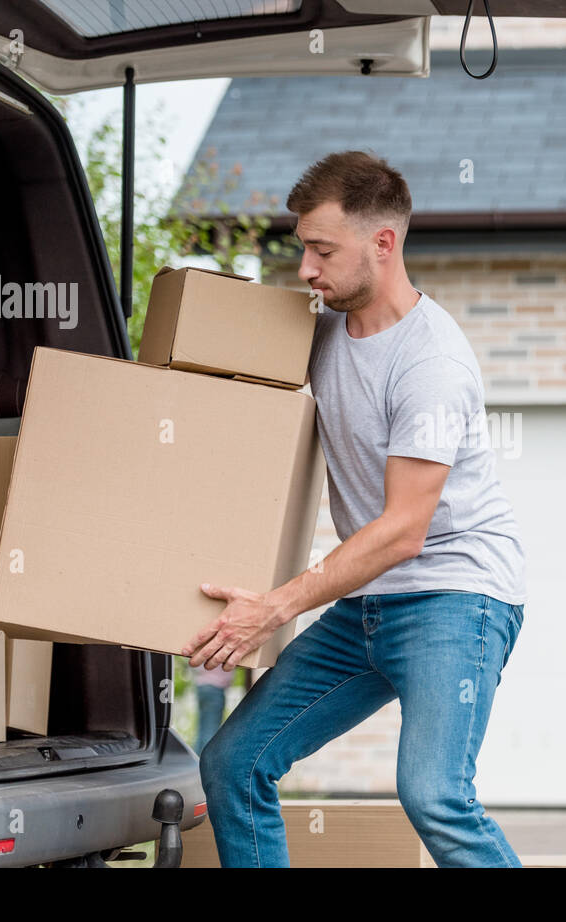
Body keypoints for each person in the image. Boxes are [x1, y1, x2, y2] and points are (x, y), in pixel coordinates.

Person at [183, 149, 527, 868]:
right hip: (368, 607)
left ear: (384, 243)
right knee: (233, 763)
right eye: (303, 247)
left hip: (456, 599)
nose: (305, 268)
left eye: (321, 250)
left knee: (435, 794)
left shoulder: (431, 362)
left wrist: (274, 608)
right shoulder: (326, 333)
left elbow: (405, 530)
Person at [190, 656, 234, 754]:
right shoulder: (224, 643)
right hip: (215, 687)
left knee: (202, 731)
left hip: (202, 685)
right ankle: (204, 765)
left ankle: (196, 763)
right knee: (211, 732)